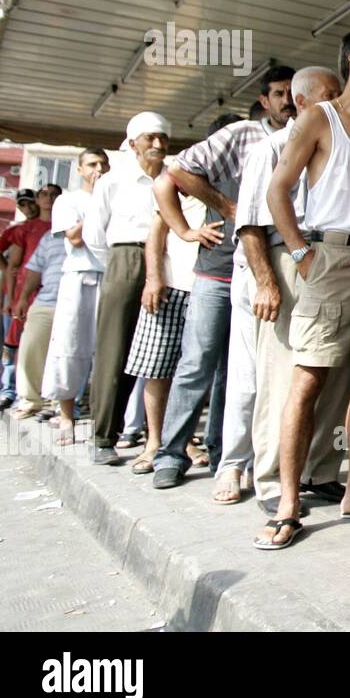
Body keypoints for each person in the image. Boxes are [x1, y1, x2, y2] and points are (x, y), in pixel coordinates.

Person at [256, 31, 350, 549]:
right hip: (330, 257)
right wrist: (299, 253)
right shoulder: (319, 117)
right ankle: (288, 504)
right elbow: (277, 190)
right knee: (308, 380)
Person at [149, 66, 294, 494]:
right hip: (218, 270)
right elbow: (171, 177)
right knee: (198, 363)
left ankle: (222, 456)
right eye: (278, 93)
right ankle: (170, 454)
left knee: (240, 373)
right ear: (264, 100)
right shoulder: (241, 135)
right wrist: (204, 221)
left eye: (291, 92)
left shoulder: (304, 136)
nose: (287, 99)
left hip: (270, 272)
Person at [235, 66, 350, 515]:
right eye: (330, 94)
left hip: (333, 260)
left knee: (332, 373)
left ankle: (320, 471)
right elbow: (248, 222)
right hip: (287, 258)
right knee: (283, 375)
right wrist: (266, 281)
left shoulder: (340, 143)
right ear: (302, 102)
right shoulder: (270, 148)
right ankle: (269, 479)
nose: (339, 100)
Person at [83, 112, 172, 465]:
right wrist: (123, 265)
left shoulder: (173, 178)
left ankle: (159, 436)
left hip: (168, 263)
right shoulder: (113, 181)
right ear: (133, 142)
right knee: (114, 350)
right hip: (125, 258)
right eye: (150, 137)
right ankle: (104, 436)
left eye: (162, 138)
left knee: (161, 351)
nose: (157, 144)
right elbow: (94, 235)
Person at [124, 182, 216, 475]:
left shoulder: (227, 185)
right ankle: (153, 442)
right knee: (156, 368)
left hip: (208, 288)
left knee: (193, 370)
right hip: (170, 287)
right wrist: (153, 278)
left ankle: (184, 440)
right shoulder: (180, 184)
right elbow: (156, 234)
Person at [40, 149, 109, 444]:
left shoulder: (114, 195)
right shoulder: (68, 200)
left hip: (110, 276)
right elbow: (75, 237)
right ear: (80, 170)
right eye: (92, 164)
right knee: (69, 345)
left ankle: (104, 417)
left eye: (104, 164)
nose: (99, 169)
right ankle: (66, 415)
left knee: (109, 350)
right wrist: (98, 202)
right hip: (79, 276)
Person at [0, 186, 58, 409]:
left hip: (50, 294)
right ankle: (9, 389)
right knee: (11, 344)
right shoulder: (21, 229)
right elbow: (10, 267)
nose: (28, 207)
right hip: (23, 293)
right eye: (22, 204)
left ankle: (42, 392)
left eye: (30, 201)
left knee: (44, 346)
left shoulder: (63, 227)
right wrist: (8, 298)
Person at [9, 228, 66, 421]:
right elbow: (34, 269)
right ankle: (30, 401)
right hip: (45, 302)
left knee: (67, 355)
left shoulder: (93, 227)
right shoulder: (49, 236)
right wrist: (24, 298)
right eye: (46, 194)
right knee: (29, 347)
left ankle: (59, 404)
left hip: (78, 302)